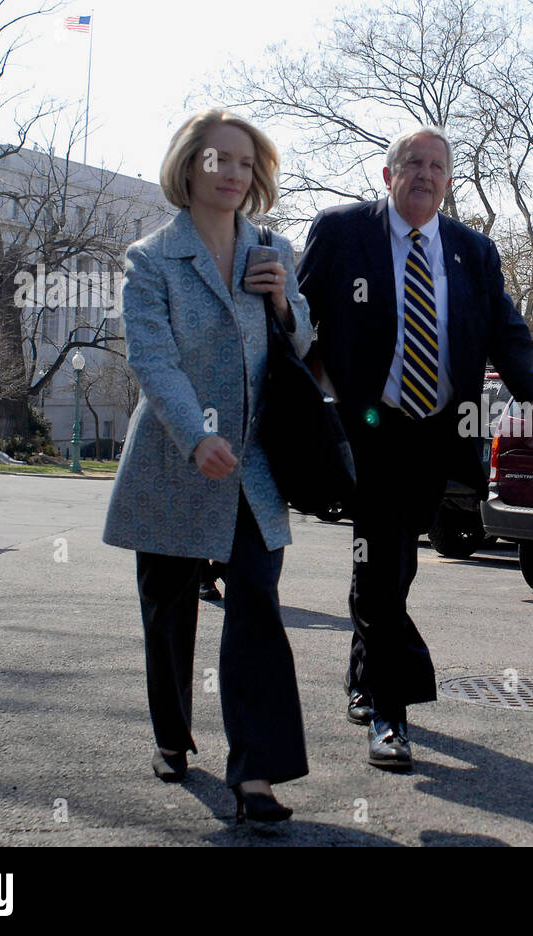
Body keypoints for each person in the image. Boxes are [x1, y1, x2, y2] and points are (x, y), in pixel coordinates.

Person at [297, 125, 533, 770]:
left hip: (440, 430)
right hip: (371, 423)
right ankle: (392, 712)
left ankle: (363, 679)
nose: (425, 173)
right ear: (389, 176)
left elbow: (509, 333)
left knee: (391, 567)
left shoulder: (473, 250)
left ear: (449, 182)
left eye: (438, 166)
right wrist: (298, 403)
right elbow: (295, 321)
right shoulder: (341, 232)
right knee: (385, 562)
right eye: (412, 162)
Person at [102, 108, 315, 824]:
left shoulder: (272, 247)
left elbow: (306, 336)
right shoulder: (150, 258)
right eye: (217, 158)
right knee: (169, 608)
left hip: (252, 465)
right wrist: (195, 436)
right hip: (172, 458)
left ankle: (256, 774)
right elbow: (152, 359)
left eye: (245, 162)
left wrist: (282, 300)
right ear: (189, 166)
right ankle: (172, 734)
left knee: (256, 599)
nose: (232, 172)